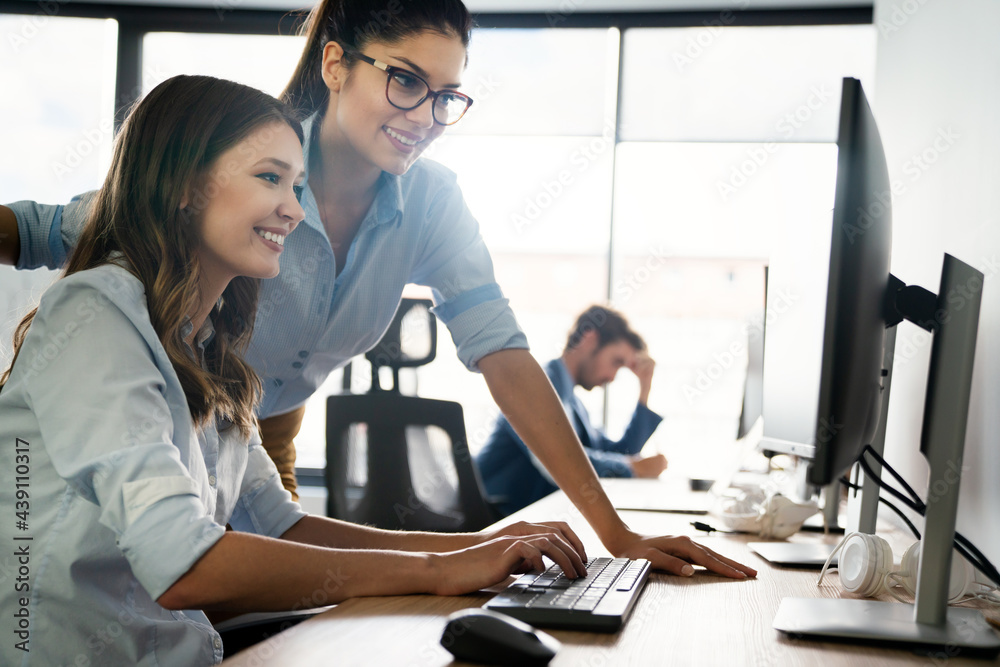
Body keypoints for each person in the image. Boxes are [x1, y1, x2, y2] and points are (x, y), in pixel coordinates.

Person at [0, 0, 757, 581]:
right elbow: (54, 224)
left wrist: (607, 532)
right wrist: (445, 566)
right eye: (405, 80)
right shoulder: (232, 171)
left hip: (248, 427)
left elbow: (503, 352)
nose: (426, 116)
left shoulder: (429, 204)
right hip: (147, 423)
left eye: (447, 95)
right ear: (337, 64)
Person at [0, 74, 590, 666]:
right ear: (184, 187)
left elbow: (280, 525)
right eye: (269, 177)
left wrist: (474, 546)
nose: (293, 207)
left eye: (297, 183)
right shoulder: (97, 317)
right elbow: (184, 563)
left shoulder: (207, 347)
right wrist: (438, 569)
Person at [478, 306, 669, 515]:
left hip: (536, 522)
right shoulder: (537, 387)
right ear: (590, 339)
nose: (613, 377)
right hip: (498, 520)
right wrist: (632, 468)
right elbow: (559, 461)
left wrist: (645, 388)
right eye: (616, 362)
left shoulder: (573, 404)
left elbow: (619, 453)